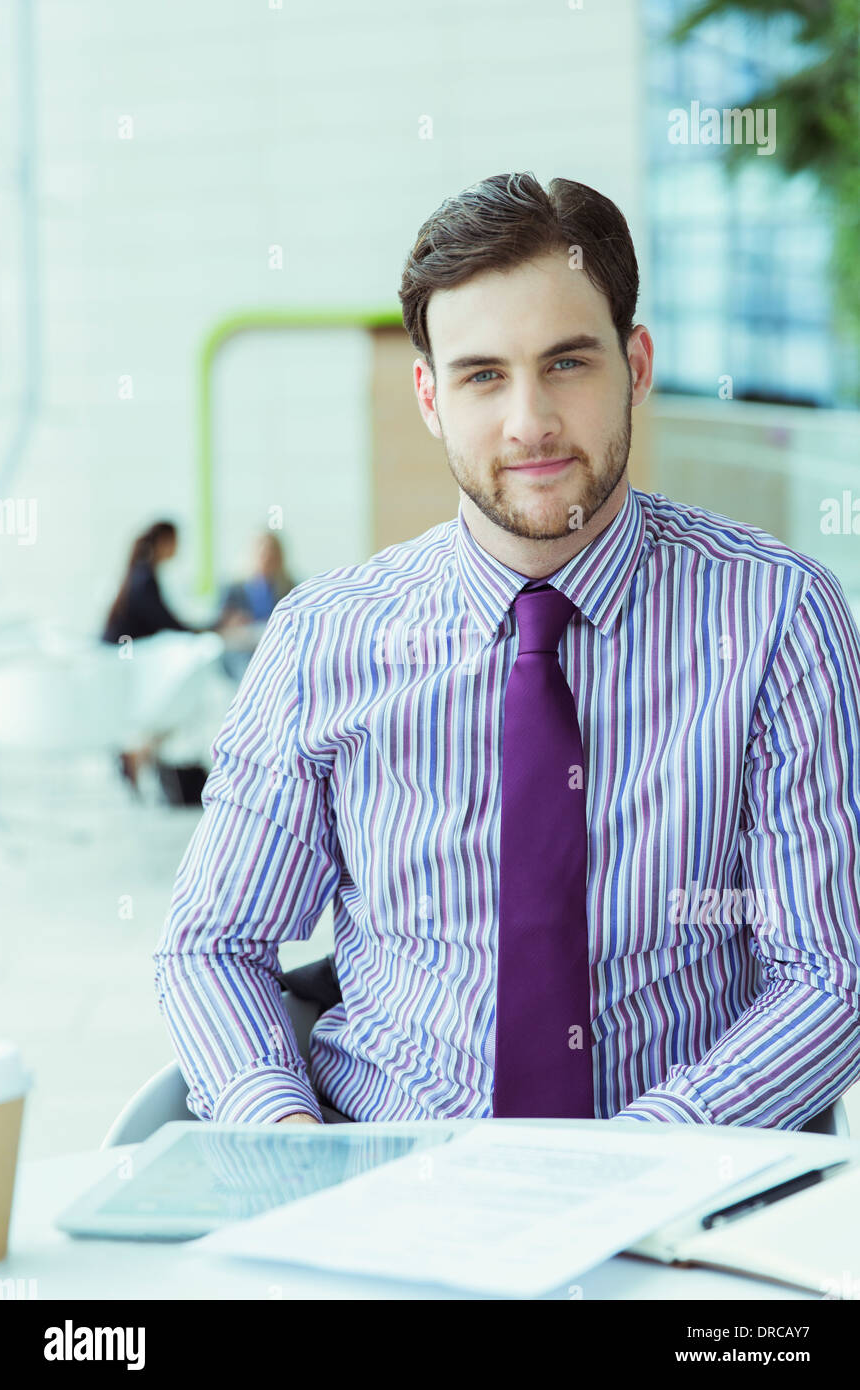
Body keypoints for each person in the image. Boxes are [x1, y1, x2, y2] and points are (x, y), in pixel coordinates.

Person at [153, 172, 860, 1131]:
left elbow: (829, 976)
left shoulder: (778, 617)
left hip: (687, 1197)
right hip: (386, 1186)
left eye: (567, 363)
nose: (528, 420)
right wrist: (284, 1138)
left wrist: (642, 1165)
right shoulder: (325, 639)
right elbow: (212, 946)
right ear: (429, 395)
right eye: (483, 374)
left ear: (637, 364)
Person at [102, 520, 202, 790]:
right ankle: (138, 755)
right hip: (122, 665)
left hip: (128, 661)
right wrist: (207, 629)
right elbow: (165, 620)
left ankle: (139, 756)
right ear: (163, 542)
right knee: (182, 702)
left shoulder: (141, 574)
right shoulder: (144, 578)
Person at [214, 532, 297, 681]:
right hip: (241, 651)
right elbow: (218, 626)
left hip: (276, 650)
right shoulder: (234, 588)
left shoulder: (289, 588)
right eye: (263, 555)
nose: (267, 560)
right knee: (252, 675)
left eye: (272, 556)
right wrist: (233, 624)